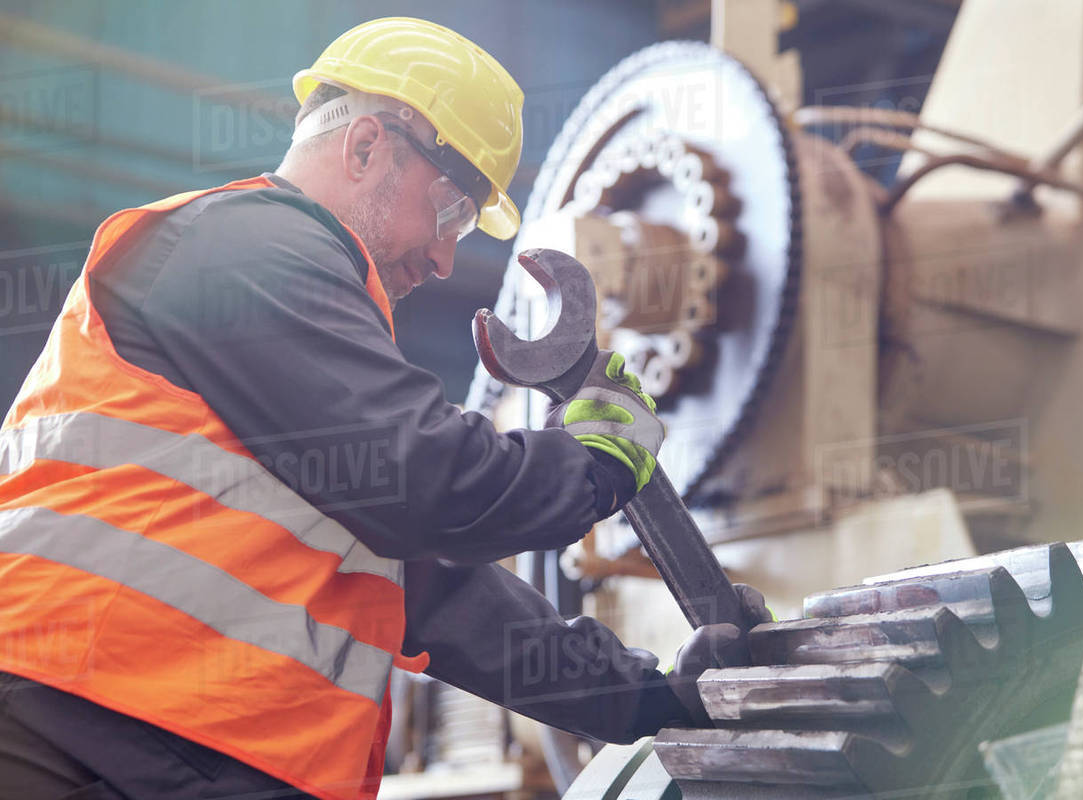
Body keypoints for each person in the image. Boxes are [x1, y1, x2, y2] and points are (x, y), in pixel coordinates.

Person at [0, 17, 770, 800]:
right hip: (83, 728)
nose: (444, 259)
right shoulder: (242, 247)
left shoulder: (328, 404)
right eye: (451, 214)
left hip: (167, 748)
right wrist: (597, 462)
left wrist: (658, 699)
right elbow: (429, 481)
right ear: (365, 146)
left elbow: (450, 599)